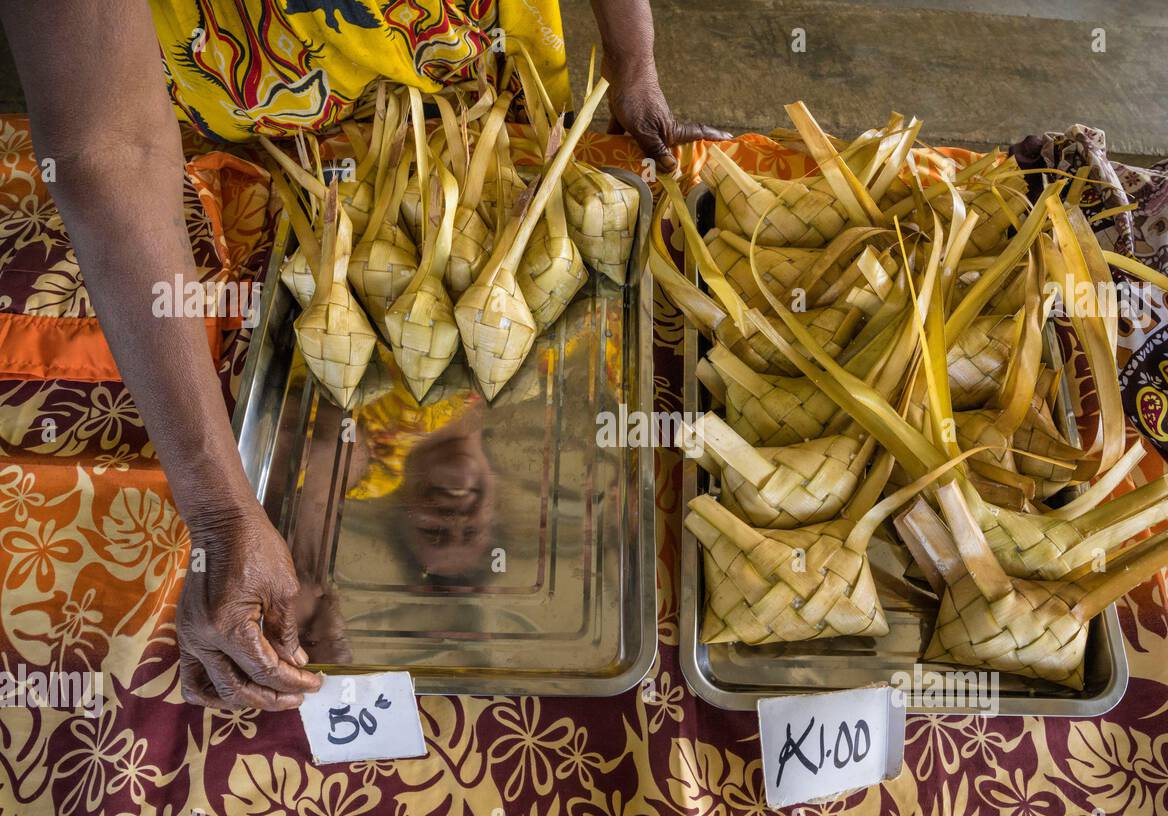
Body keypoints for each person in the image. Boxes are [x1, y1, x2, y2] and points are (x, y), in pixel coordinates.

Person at [0, 0, 727, 710]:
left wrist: (635, 66)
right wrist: (223, 515)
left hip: (477, 67)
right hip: (263, 109)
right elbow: (113, 145)